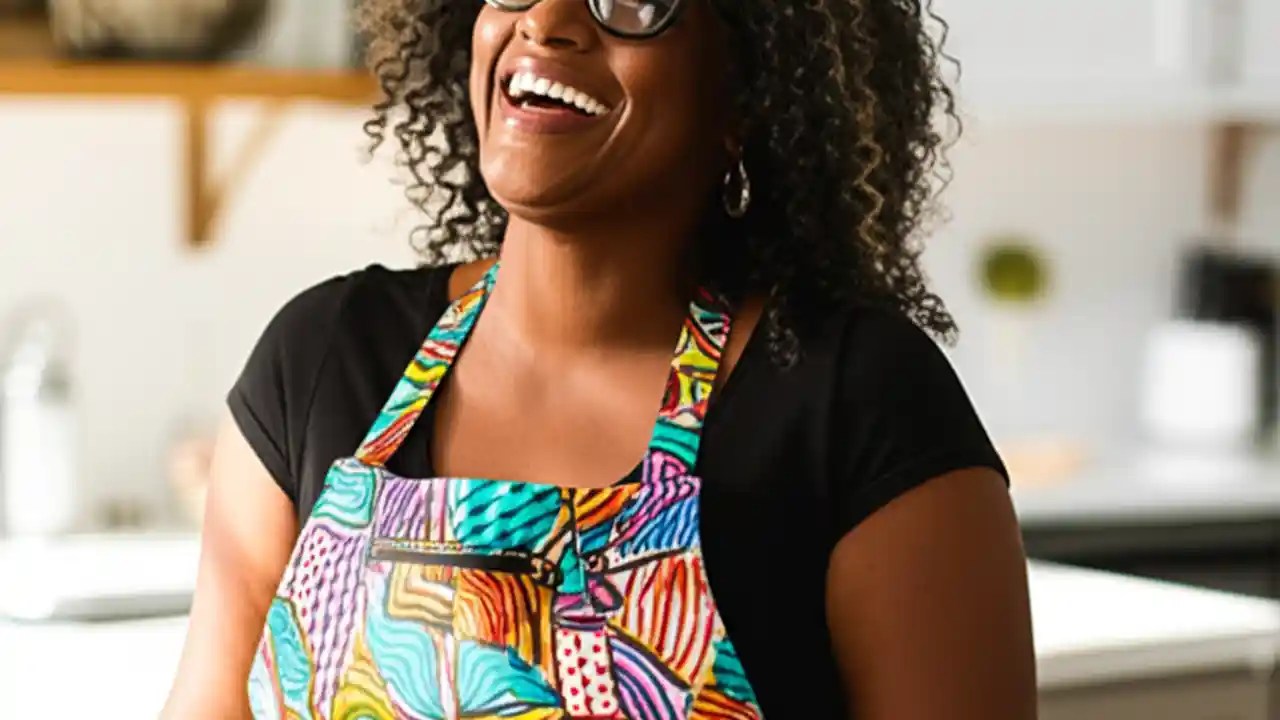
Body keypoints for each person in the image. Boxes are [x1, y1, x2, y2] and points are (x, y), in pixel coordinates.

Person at [162, 0, 1037, 717]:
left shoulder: (856, 404)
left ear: (750, 87)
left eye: (633, 4)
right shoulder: (320, 361)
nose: (545, 21)